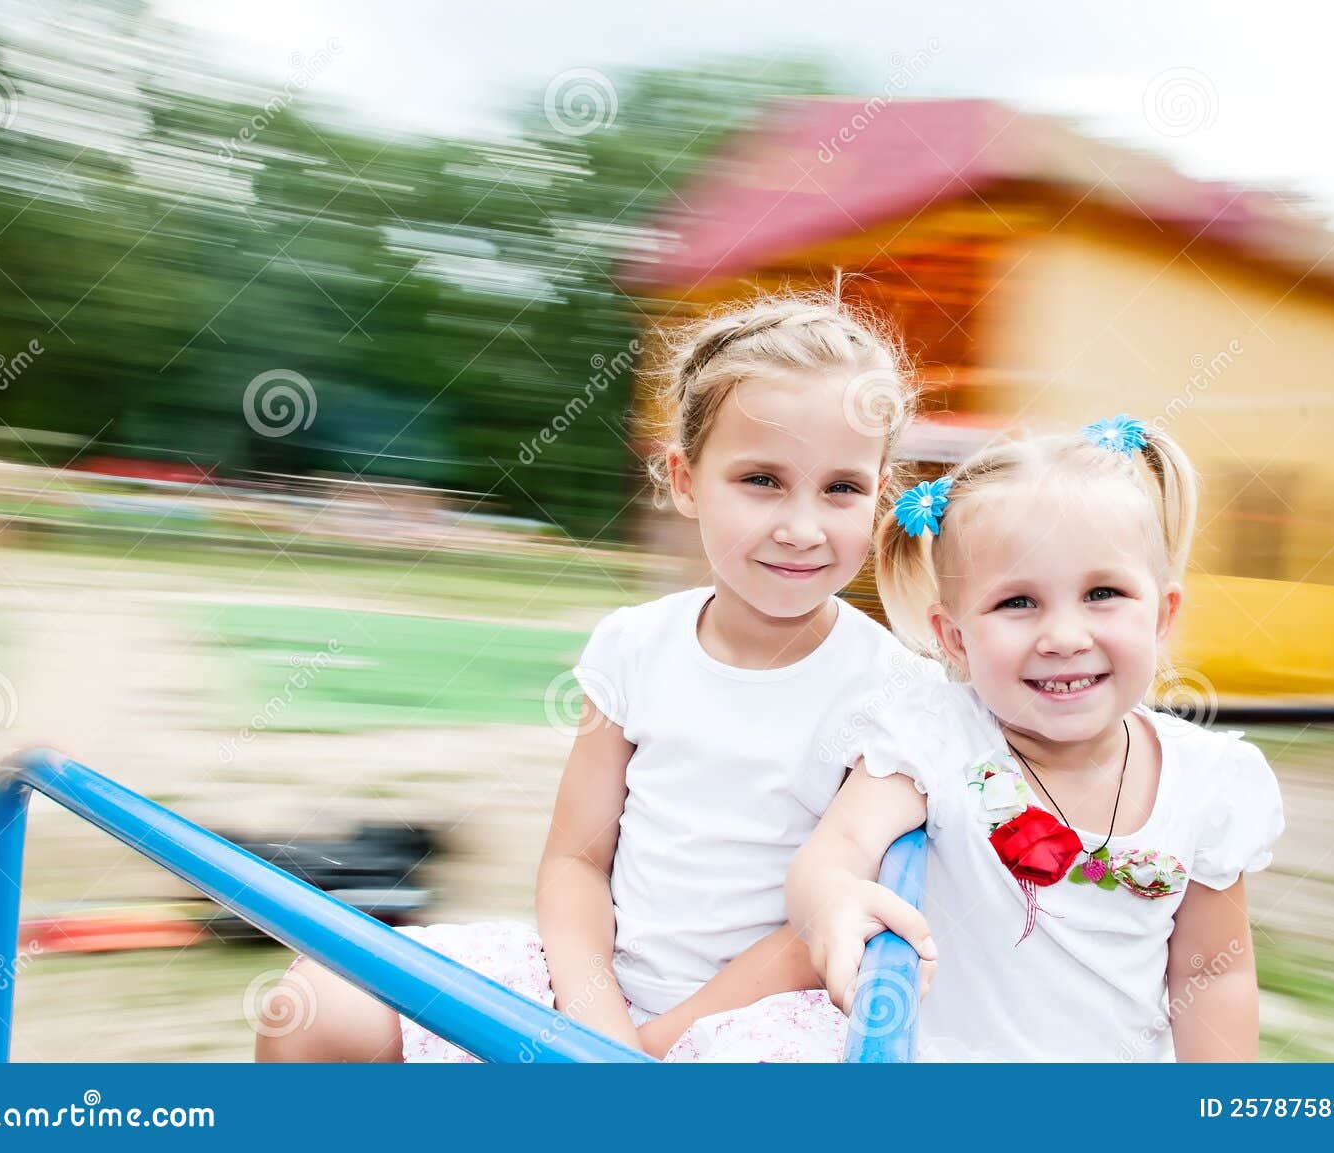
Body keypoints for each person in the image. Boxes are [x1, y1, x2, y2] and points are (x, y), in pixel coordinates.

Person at [256, 289, 939, 1062]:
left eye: (841, 488)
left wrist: (642, 1052)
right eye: (761, 480)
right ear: (684, 480)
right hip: (595, 984)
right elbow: (576, 861)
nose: (802, 526)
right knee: (311, 1004)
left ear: (880, 497)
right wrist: (594, 1024)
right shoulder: (633, 647)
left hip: (772, 1017)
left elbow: (817, 926)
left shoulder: (895, 689)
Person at [788, 414, 1285, 1061]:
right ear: (955, 638)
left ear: (1162, 614)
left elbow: (1211, 973)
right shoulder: (937, 736)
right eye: (1018, 602)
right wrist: (833, 898)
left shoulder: (1207, 780)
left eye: (1102, 592)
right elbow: (838, 848)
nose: (1064, 636)